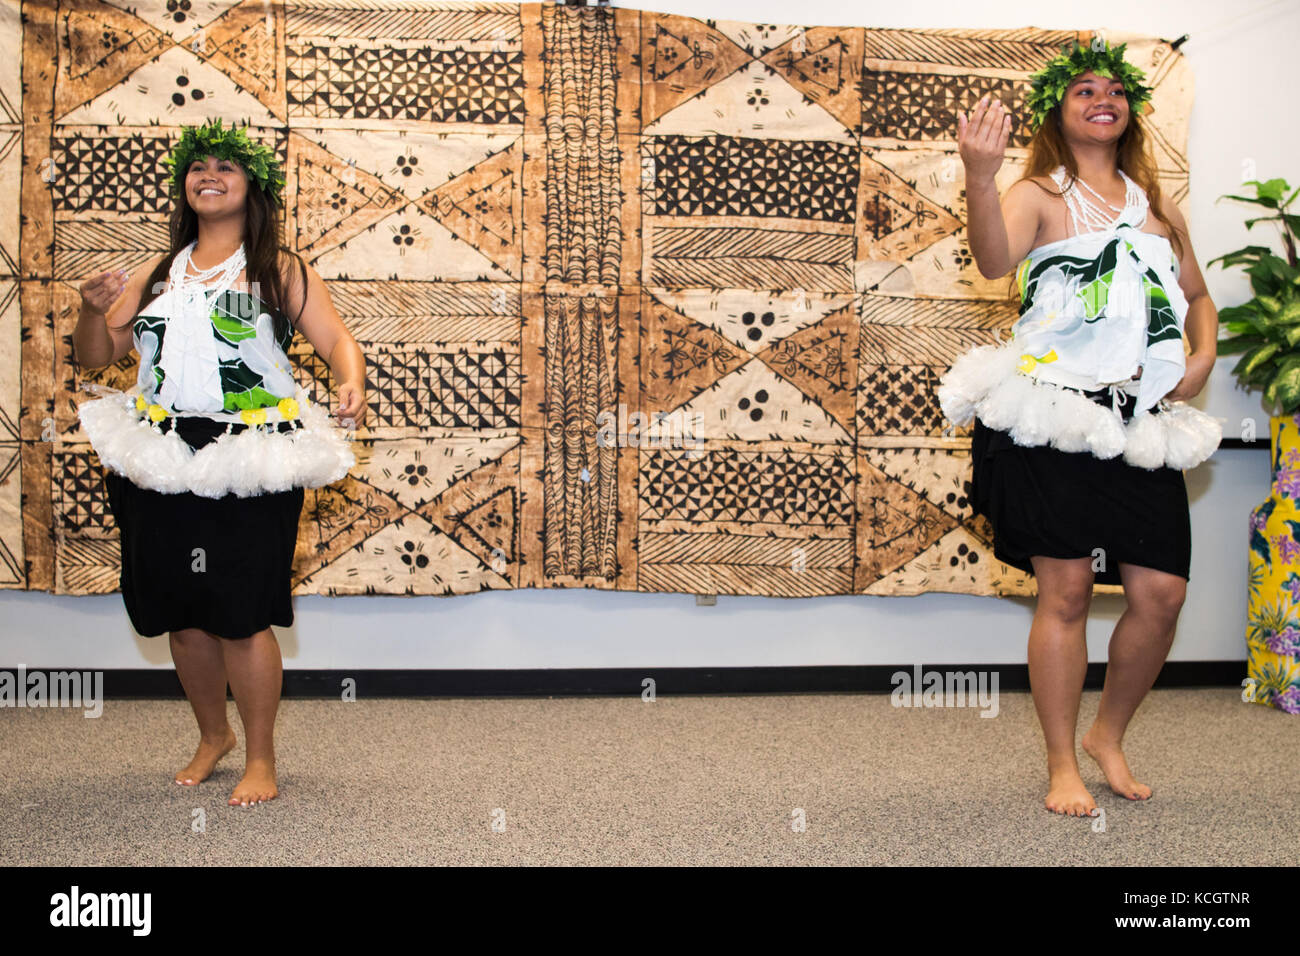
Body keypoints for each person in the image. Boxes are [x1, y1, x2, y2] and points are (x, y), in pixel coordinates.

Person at [938, 40, 1221, 816]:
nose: (1103, 99)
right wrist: (978, 176)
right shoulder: (1039, 192)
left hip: (1139, 421)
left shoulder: (1158, 208)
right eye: (1084, 91)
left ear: (1131, 112)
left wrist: (1201, 355)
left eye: (1116, 92)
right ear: (1061, 112)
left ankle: (1110, 733)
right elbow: (994, 261)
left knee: (1161, 593)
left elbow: (1199, 296)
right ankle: (1062, 763)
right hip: (1053, 415)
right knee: (1063, 590)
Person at [72, 119, 366, 808]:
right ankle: (213, 736)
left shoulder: (279, 269)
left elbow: (336, 339)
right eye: (197, 166)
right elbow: (94, 356)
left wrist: (349, 380)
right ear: (184, 187)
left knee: (240, 612)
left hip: (250, 458)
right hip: (161, 456)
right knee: (182, 611)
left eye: (226, 167)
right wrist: (89, 312)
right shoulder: (157, 271)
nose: (209, 174)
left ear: (251, 185)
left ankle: (259, 755)